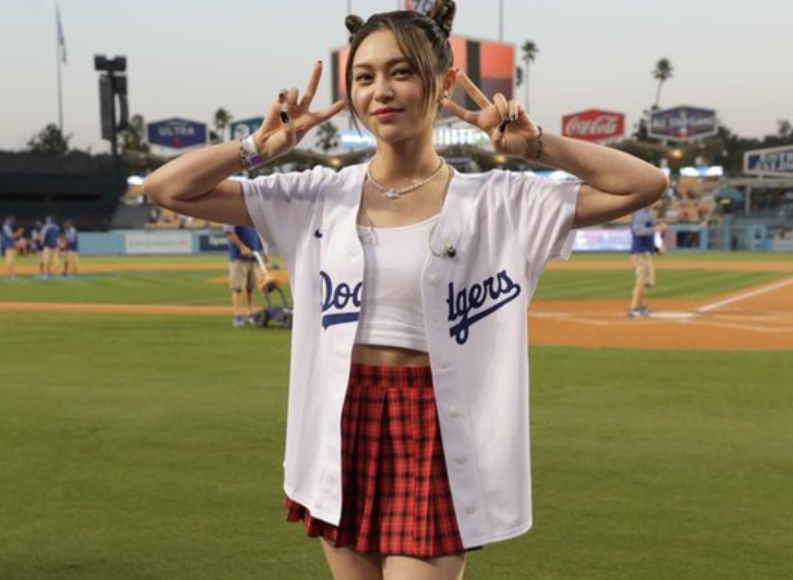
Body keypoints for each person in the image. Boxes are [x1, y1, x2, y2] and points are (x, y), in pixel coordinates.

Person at [143, 2, 667, 578]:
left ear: (443, 82)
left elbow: (644, 184)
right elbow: (166, 189)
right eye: (364, 77)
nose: (381, 92)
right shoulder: (314, 195)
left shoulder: (500, 201)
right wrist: (257, 149)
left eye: (401, 72)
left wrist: (538, 146)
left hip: (436, 426)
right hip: (343, 421)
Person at [628, 201, 666, 318]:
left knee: (645, 282)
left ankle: (640, 306)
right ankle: (634, 308)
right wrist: (656, 228)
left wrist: (656, 249)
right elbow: (638, 231)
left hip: (645, 251)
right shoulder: (640, 212)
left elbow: (648, 236)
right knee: (641, 281)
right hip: (640, 252)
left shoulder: (647, 212)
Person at [223, 223, 265, 327]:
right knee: (237, 287)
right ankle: (237, 315)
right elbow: (229, 233)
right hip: (238, 257)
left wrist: (263, 252)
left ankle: (250, 313)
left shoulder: (252, 217)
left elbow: (258, 236)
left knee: (250, 287)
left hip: (253, 256)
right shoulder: (232, 216)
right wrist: (242, 247)